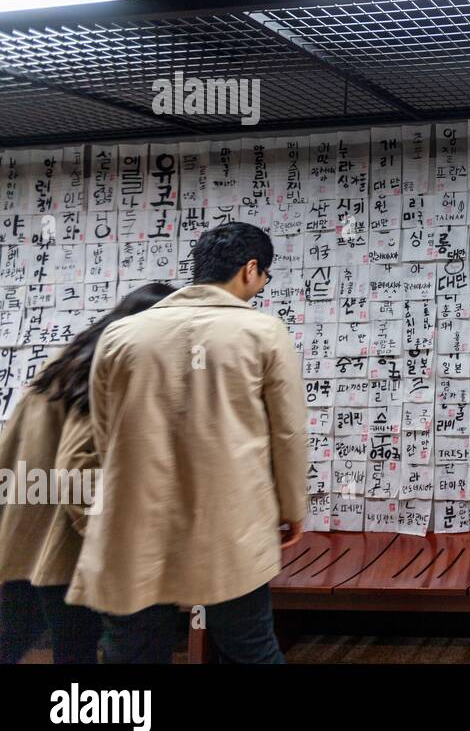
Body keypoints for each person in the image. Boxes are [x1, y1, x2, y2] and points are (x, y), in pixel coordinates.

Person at [66, 222, 307, 664]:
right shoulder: (263, 334)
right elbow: (287, 433)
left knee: (133, 653)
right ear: (250, 270)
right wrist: (292, 509)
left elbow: (105, 432)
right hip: (229, 525)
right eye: (265, 275)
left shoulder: (121, 335)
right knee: (250, 648)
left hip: (132, 524)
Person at [0, 282, 177, 664]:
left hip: (26, 522)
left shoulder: (71, 357)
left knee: (33, 639)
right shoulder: (110, 368)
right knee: (82, 643)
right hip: (66, 535)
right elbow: (78, 467)